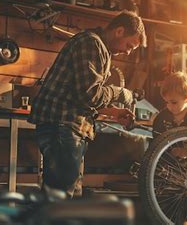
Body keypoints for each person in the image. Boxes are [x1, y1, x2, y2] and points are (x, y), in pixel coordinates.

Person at [28, 10, 147, 197]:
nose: (128, 51)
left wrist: (113, 112)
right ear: (119, 31)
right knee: (58, 197)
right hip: (62, 125)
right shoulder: (91, 43)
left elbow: (80, 96)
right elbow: (89, 95)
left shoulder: (101, 49)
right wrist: (121, 93)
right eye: (129, 45)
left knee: (65, 195)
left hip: (66, 126)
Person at [152, 71, 187, 138]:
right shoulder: (161, 118)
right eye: (166, 102)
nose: (169, 106)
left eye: (174, 102)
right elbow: (155, 144)